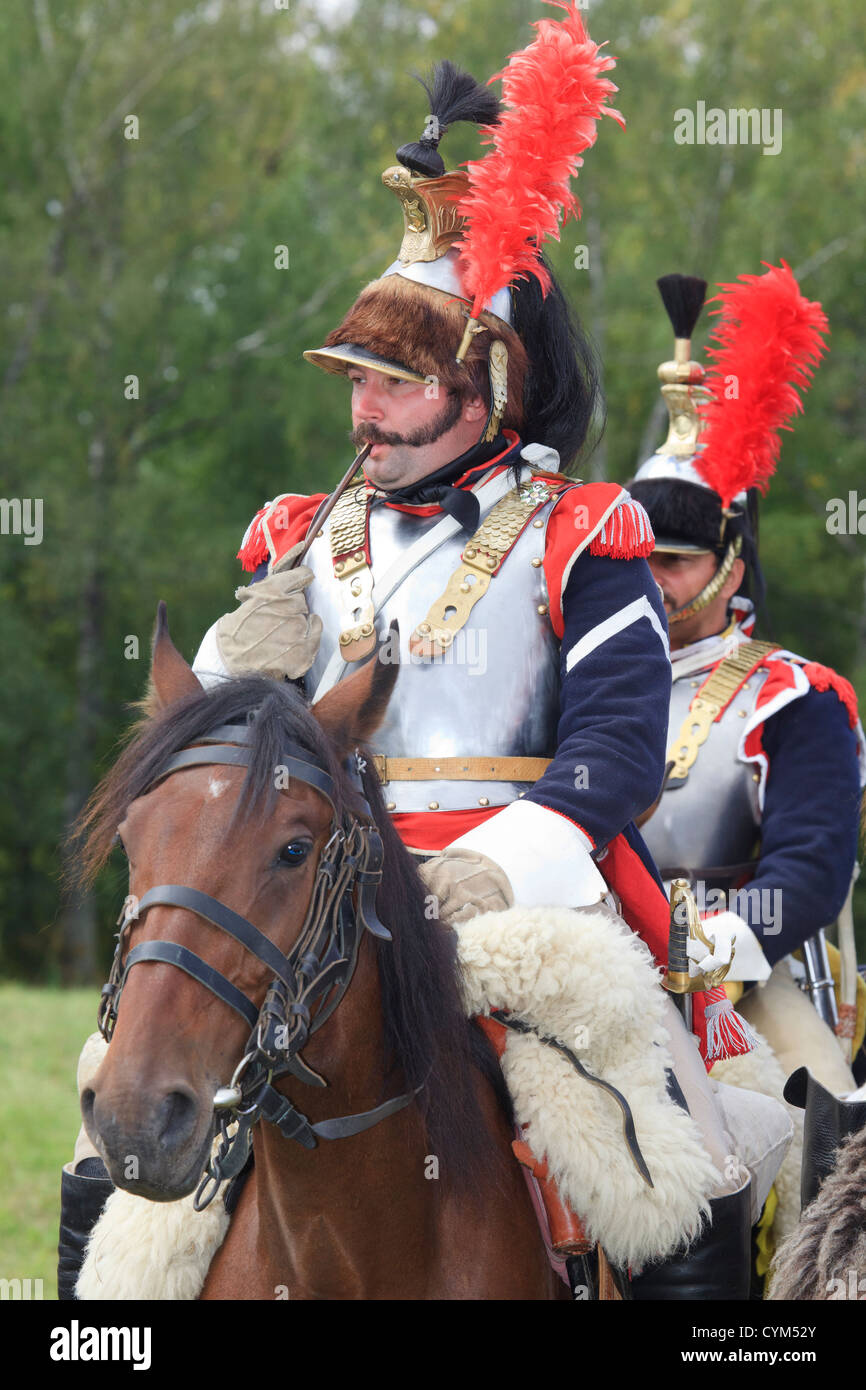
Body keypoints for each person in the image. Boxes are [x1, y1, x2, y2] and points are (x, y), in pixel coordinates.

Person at [59, 9, 785, 1300]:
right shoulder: (300, 532)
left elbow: (616, 754)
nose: (361, 409)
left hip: (523, 900)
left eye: (391, 383)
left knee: (667, 1158)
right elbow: (223, 755)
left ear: (486, 385)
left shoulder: (583, 533)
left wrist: (484, 875)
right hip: (307, 892)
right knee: (108, 1131)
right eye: (352, 379)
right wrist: (241, 663)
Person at [630, 268, 866, 1110]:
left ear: (731, 564)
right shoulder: (577, 679)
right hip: (593, 967)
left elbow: (812, 868)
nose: (649, 582)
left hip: (745, 978)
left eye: (673, 561)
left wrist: (702, 950)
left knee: (823, 1125)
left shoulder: (794, 698)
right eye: (634, 559)